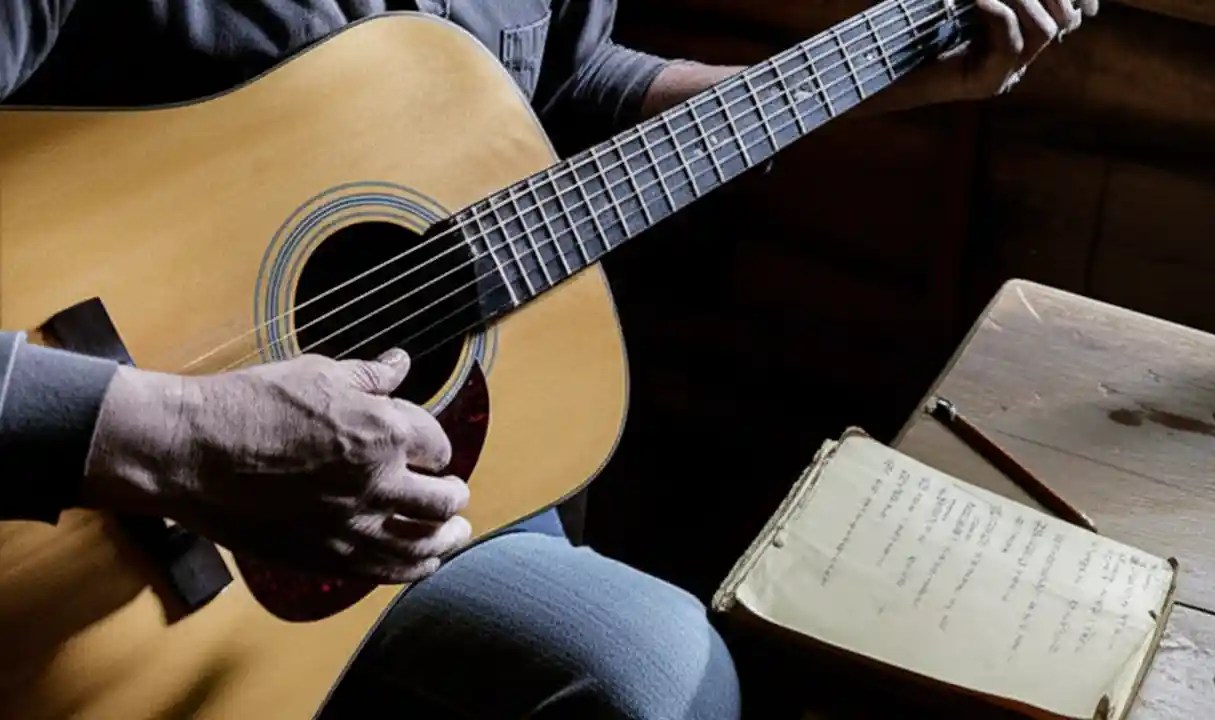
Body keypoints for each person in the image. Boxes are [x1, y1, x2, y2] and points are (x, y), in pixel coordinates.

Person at [0, 1, 1096, 717]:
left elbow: (554, 84)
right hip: (72, 480)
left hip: (401, 492)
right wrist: (174, 436)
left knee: (651, 676)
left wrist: (865, 81)